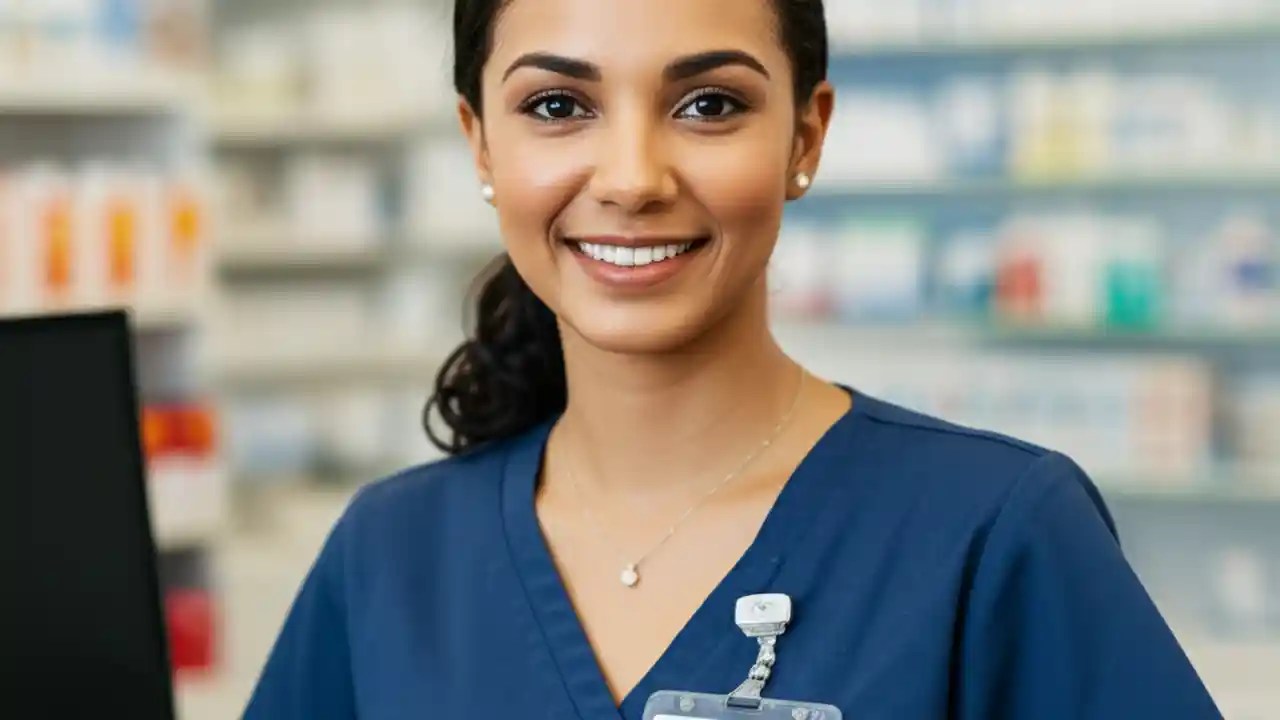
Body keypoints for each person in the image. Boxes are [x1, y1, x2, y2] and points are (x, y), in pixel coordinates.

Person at [245, 0, 1224, 717]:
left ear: (805, 136)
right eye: (555, 107)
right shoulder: (390, 558)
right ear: (480, 148)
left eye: (708, 104)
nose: (631, 179)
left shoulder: (989, 537)